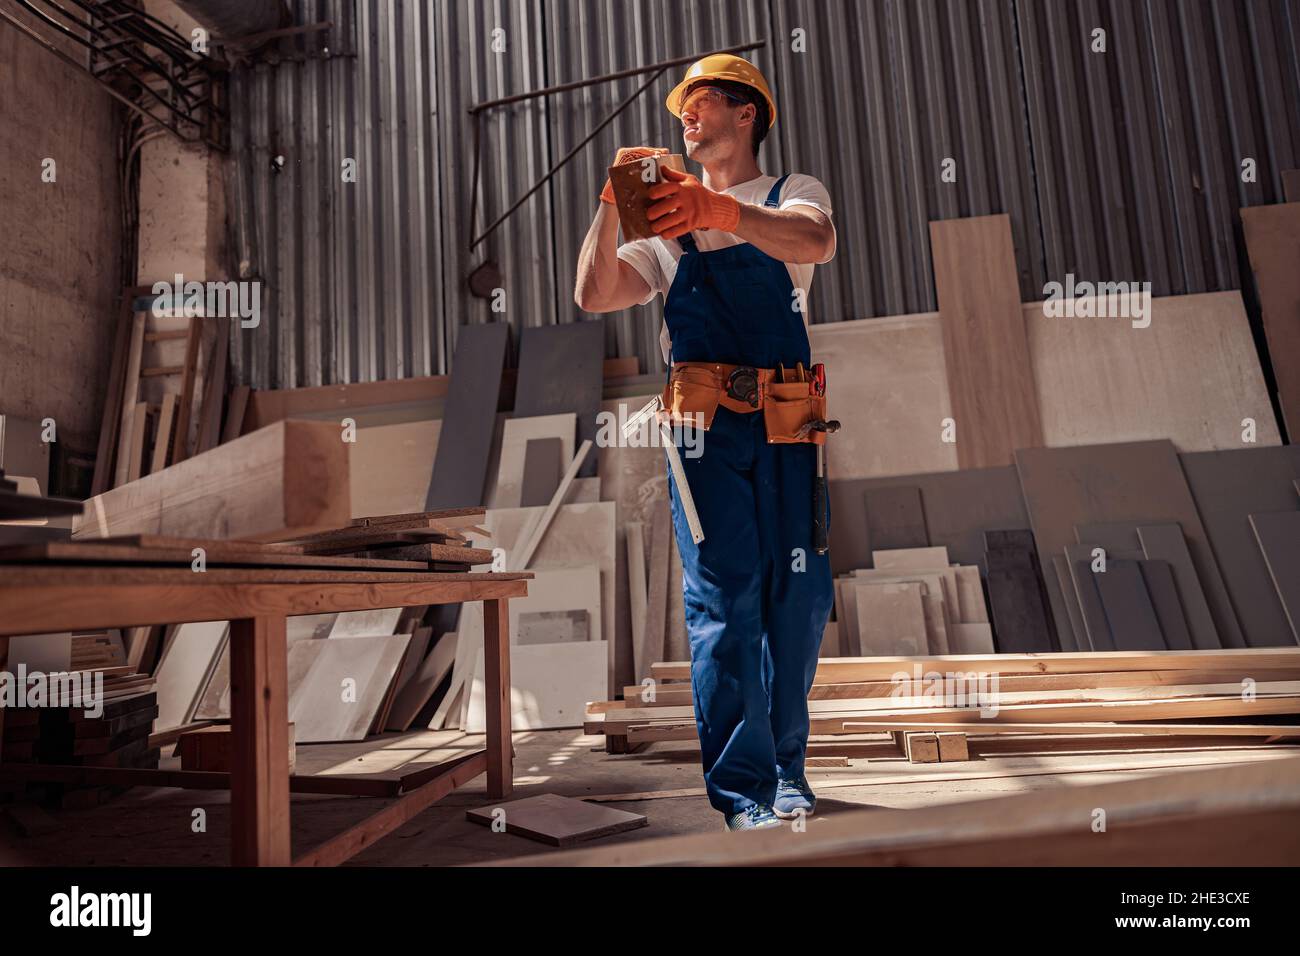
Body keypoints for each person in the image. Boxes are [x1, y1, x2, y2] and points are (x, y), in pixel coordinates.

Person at [574, 54, 837, 831]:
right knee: (726, 602)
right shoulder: (664, 233)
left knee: (797, 599)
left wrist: (712, 209)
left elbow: (813, 242)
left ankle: (789, 772)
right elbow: (593, 294)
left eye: (702, 103)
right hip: (701, 430)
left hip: (789, 422)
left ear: (746, 113)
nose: (685, 118)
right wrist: (610, 206)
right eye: (682, 109)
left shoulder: (793, 195)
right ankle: (744, 792)